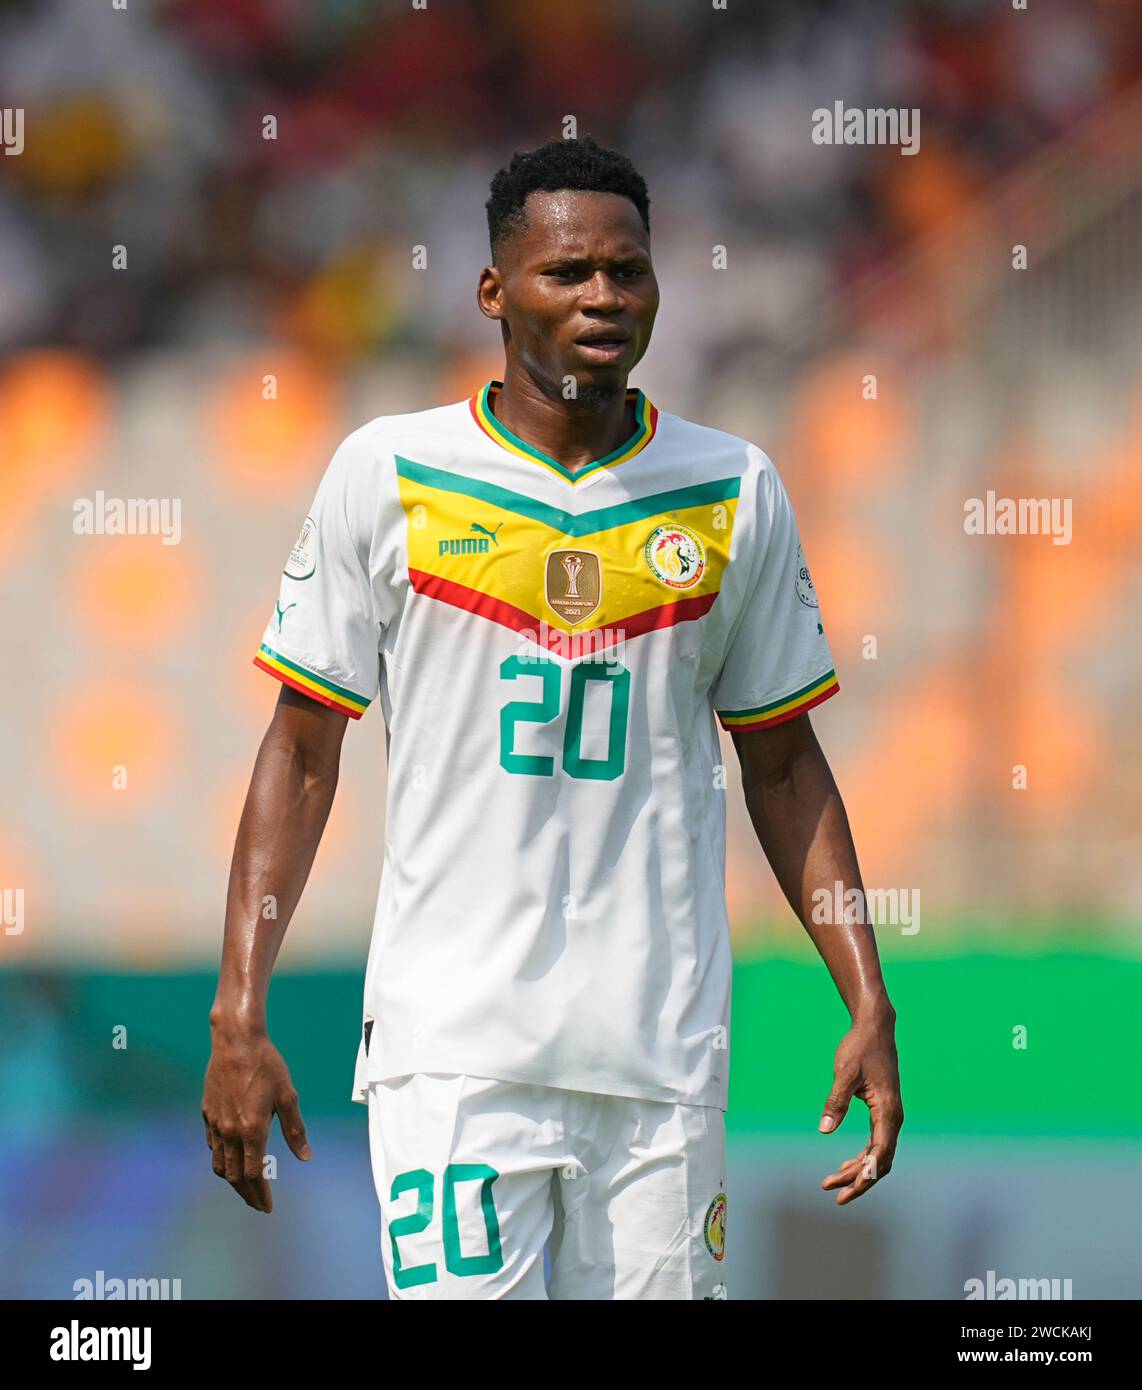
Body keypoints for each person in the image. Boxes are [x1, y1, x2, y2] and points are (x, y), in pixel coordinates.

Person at [202, 135, 903, 1301]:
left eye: (624, 273)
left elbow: (782, 767)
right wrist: (239, 1007)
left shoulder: (732, 488)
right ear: (493, 291)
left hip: (661, 1064)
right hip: (454, 1057)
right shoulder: (389, 474)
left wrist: (866, 993)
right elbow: (302, 751)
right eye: (565, 272)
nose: (601, 298)